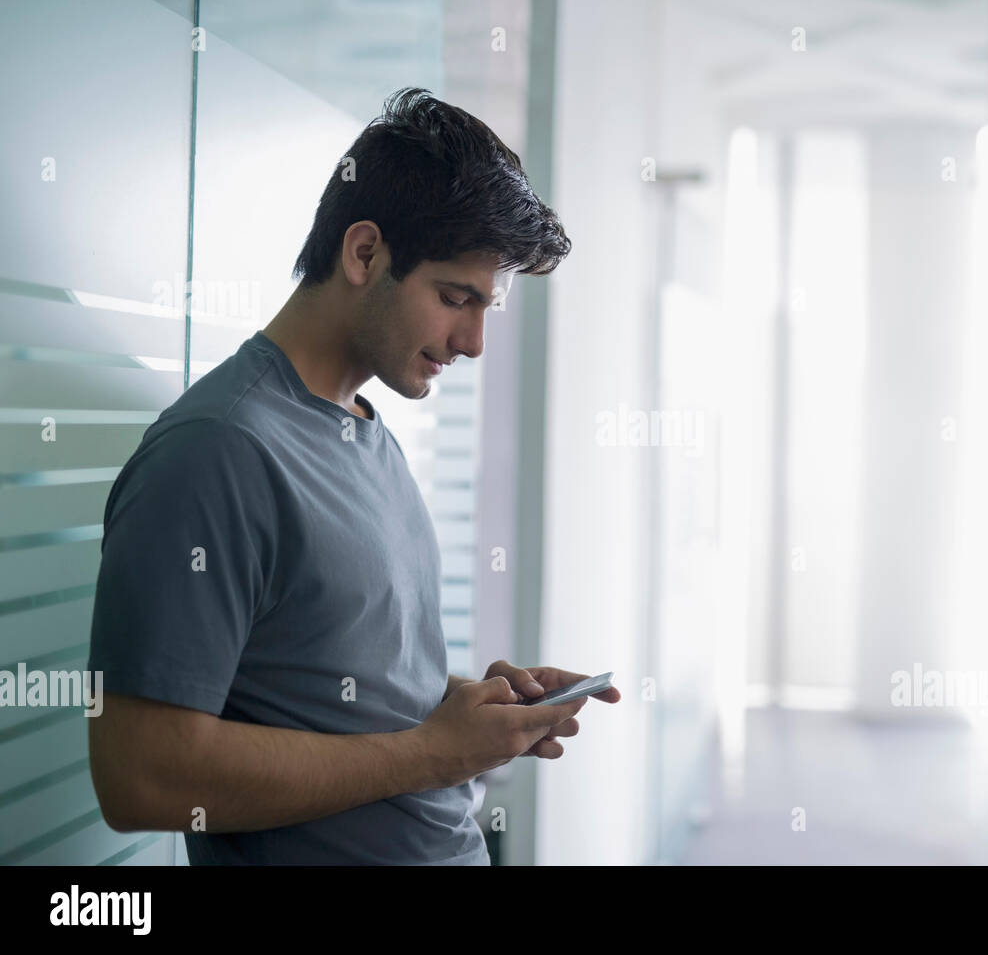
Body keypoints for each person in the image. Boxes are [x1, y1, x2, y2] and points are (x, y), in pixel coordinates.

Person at [86, 88, 619, 865]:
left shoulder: (368, 432)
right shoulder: (216, 452)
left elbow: (342, 686)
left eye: (486, 308)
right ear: (364, 253)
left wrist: (470, 712)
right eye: (455, 298)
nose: (472, 341)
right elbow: (141, 777)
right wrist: (437, 753)